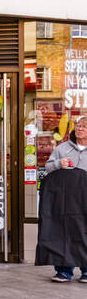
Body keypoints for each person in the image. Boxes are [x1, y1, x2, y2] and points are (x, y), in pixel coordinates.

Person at [42, 115, 87, 282]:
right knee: (64, 232)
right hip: (65, 200)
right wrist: (58, 164)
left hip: (85, 201)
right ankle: (64, 271)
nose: (80, 128)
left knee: (84, 233)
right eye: (78, 125)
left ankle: (86, 271)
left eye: (84, 126)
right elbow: (47, 168)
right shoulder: (62, 149)